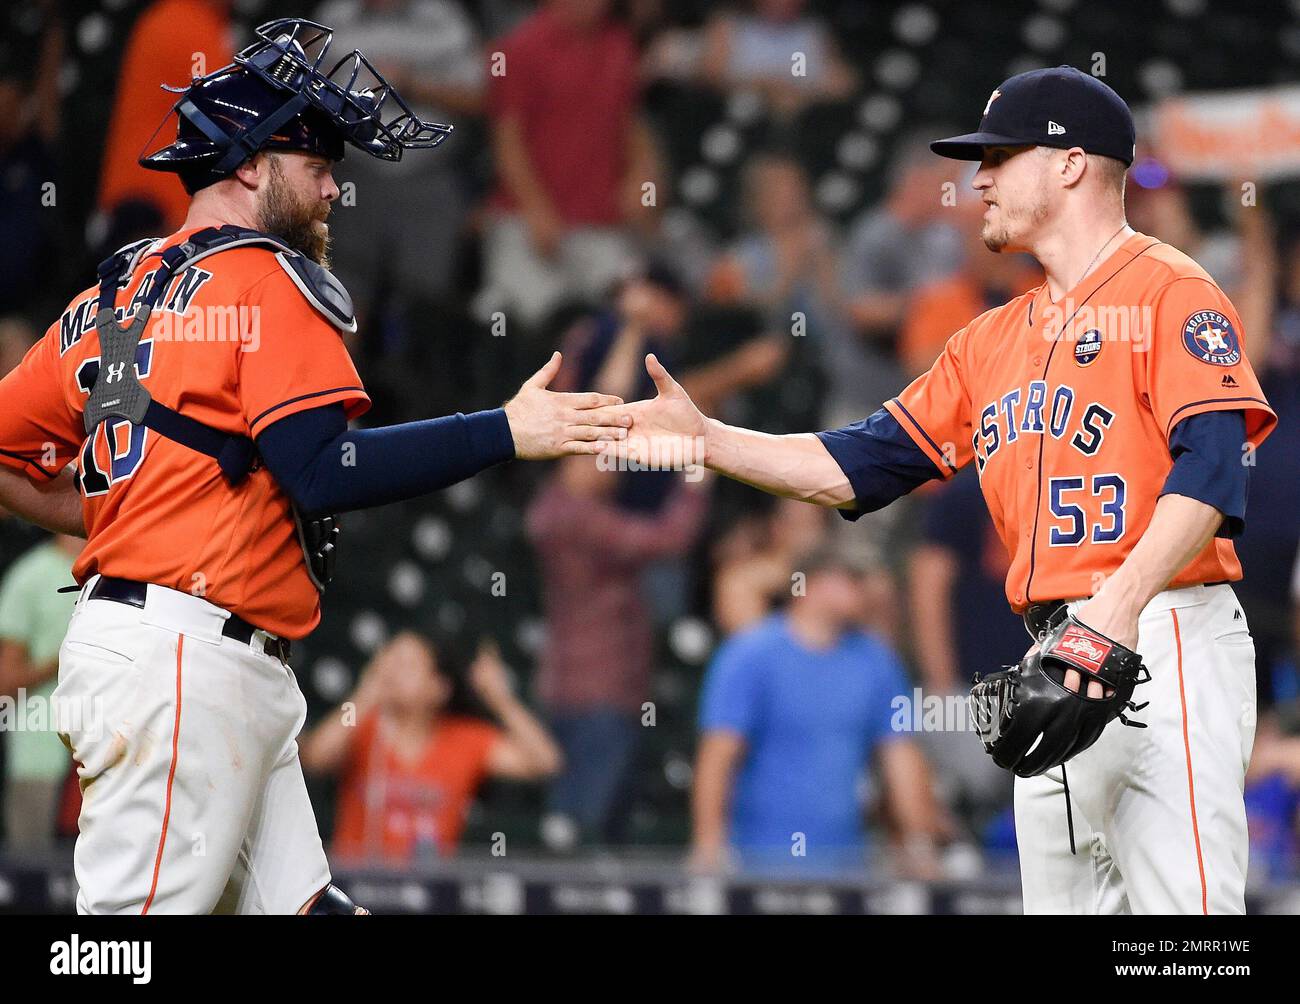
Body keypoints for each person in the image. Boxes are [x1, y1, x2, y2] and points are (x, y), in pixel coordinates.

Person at [598, 66, 1277, 914]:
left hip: (1164, 629)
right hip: (1055, 651)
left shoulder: (1172, 291)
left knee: (1187, 936)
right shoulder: (987, 340)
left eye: (999, 156)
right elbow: (858, 464)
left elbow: (1212, 470)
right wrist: (711, 440)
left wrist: (1119, 604)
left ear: (1070, 164)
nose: (978, 178)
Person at [0, 18, 628, 915]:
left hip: (195, 656)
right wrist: (505, 431)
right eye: (318, 162)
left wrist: (119, 516)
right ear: (252, 165)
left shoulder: (114, 292)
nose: (335, 187)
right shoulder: (266, 280)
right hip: (186, 664)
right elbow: (323, 470)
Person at [692, 547, 945, 877]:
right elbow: (718, 754)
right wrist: (709, 844)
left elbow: (900, 758)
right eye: (849, 579)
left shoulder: (876, 662)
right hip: (758, 862)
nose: (861, 589)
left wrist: (919, 843)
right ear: (811, 584)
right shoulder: (750, 655)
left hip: (846, 865)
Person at [526, 453, 708, 847]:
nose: (609, 468)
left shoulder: (554, 510)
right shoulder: (577, 518)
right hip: (600, 692)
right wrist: (696, 478)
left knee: (589, 827)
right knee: (583, 829)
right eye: (595, 461)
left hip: (577, 686)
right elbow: (670, 539)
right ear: (568, 466)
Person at [300, 632, 560, 864]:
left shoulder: (464, 738)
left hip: (430, 889)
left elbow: (544, 762)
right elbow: (315, 758)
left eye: (408, 665)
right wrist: (366, 695)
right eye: (389, 662)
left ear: (439, 688)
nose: (392, 673)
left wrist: (500, 699)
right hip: (358, 887)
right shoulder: (362, 726)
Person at [0, 534, 80, 852]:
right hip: (40, 762)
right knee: (34, 884)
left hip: (106, 757)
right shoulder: (31, 575)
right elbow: (5, 682)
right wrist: (65, 659)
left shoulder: (120, 570)